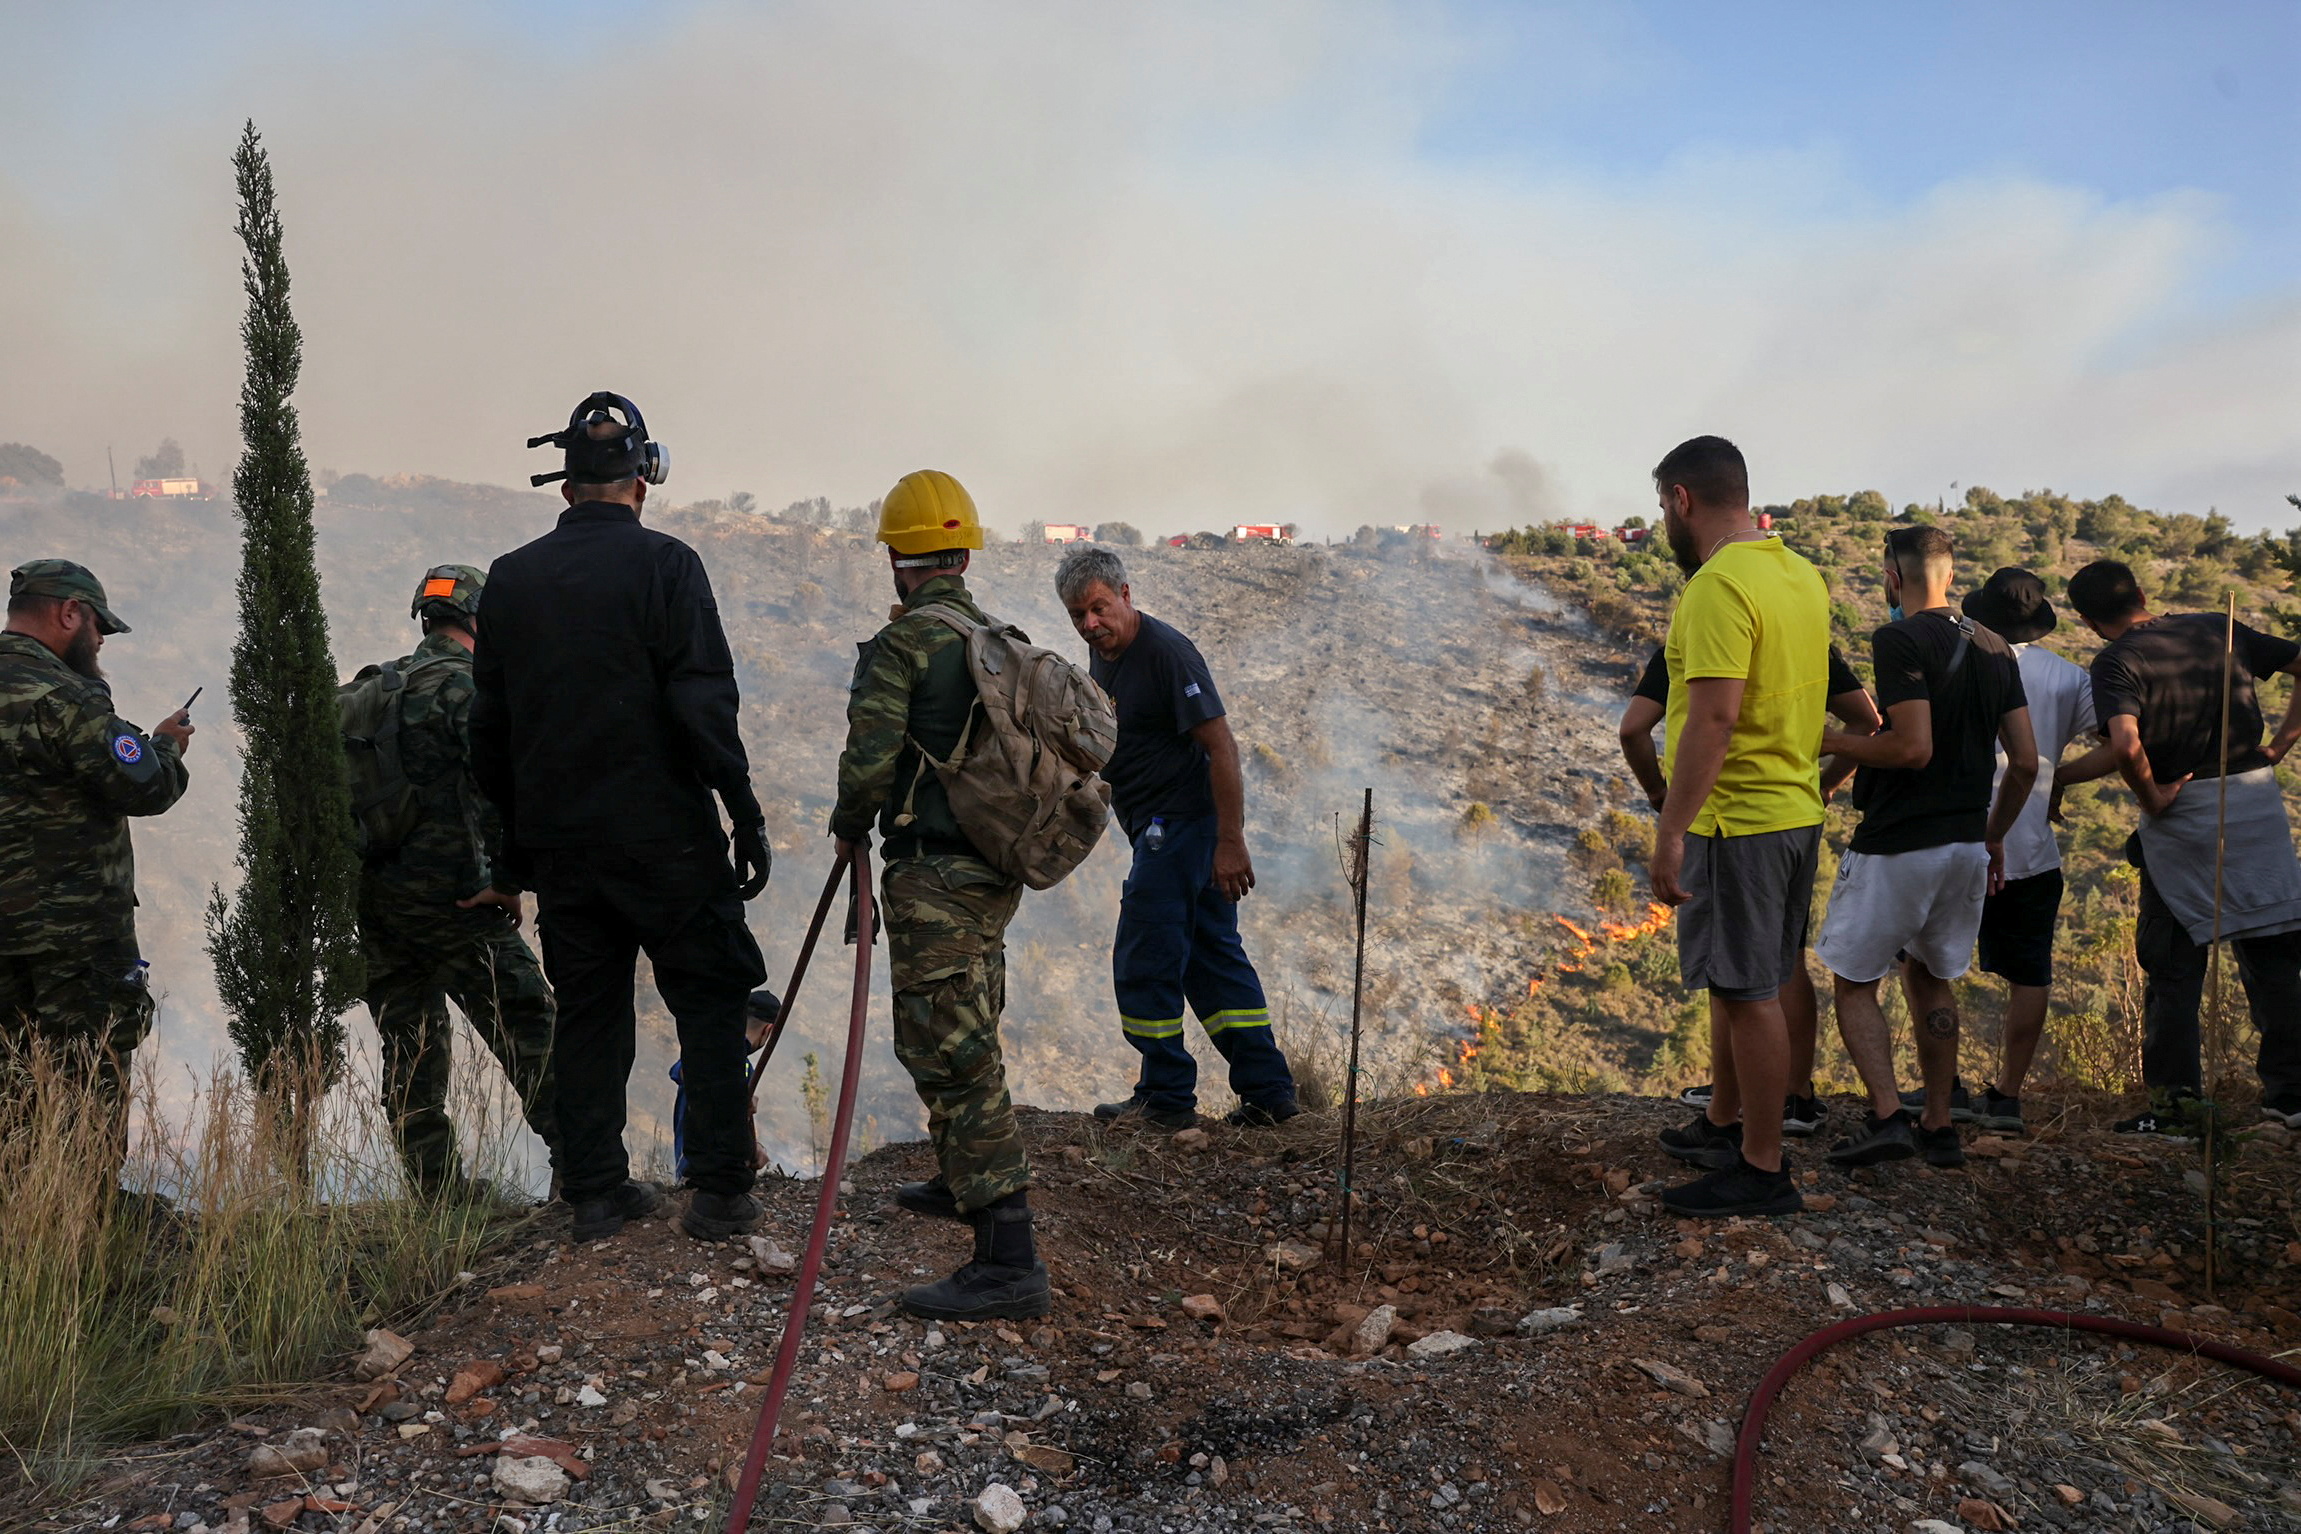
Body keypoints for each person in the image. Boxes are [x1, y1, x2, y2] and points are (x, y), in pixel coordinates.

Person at [472, 395, 773, 1244]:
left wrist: (513, 852)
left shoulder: (511, 580)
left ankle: (597, 1193)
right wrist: (741, 814)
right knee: (711, 1001)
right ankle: (719, 1193)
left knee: (590, 1012)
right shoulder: (670, 567)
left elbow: (487, 733)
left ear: (564, 486)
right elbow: (704, 704)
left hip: (564, 848)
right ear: (644, 479)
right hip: (668, 838)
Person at [830, 469, 1046, 1321]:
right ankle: (965, 1183)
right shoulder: (998, 636)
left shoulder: (906, 646)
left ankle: (1008, 1258)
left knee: (949, 1048)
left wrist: (849, 826)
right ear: (961, 552)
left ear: (898, 559)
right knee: (964, 1021)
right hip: (993, 869)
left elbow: (870, 762)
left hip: (934, 873)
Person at [1641, 436, 1830, 1218]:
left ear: (1682, 499)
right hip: (1794, 807)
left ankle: (1761, 1167)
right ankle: (1725, 1123)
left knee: (1749, 992)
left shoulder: (1716, 586)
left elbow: (1712, 719)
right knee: (1744, 978)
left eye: (1661, 507)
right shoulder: (1797, 572)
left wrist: (1670, 829)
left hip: (1737, 818)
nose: (1662, 521)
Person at [1813, 526, 2037, 1170]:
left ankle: (1886, 1116)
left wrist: (1828, 741)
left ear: (1892, 577)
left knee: (1855, 982)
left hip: (1898, 845)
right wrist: (1993, 836)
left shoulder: (1898, 638)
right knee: (1931, 975)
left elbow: (1911, 747)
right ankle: (1939, 1124)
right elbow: (2023, 761)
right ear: (1950, 571)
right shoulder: (1996, 646)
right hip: (1966, 844)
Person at [1058, 544, 1300, 1131]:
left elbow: (1222, 746)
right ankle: (1270, 1094)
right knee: (1211, 962)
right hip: (1159, 830)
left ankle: (1165, 1096)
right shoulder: (1105, 658)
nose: (1090, 624)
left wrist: (1229, 842)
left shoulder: (1167, 653)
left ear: (1124, 597)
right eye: (1077, 617)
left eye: (1098, 608)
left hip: (1184, 827)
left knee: (1146, 951)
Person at [2056, 560, 2301, 1133]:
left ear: (2090, 622)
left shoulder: (2117, 660)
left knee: (2172, 965)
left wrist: (2154, 796)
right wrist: (2282, 743)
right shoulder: (2219, 627)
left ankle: (2176, 1106)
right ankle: (2291, 1097)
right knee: (2273, 959)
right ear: (2142, 594)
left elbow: (2124, 743)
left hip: (2182, 818)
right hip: (2256, 805)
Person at [352, 564, 559, 1201]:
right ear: (480, 619)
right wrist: (510, 879)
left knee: (409, 1046)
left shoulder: (372, 689)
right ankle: (583, 1167)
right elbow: (504, 790)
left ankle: (435, 1190)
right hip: (456, 899)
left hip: (378, 904)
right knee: (528, 1020)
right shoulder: (467, 688)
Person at [1626, 644, 1881, 1139]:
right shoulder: (1799, 636)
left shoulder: (1699, 640)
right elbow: (1865, 720)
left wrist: (1662, 796)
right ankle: (1794, 1095)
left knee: (1735, 978)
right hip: (1796, 820)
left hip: (1733, 820)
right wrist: (1826, 785)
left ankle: (1734, 1113)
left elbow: (1633, 727)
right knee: (1784, 963)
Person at [0, 560, 193, 1143]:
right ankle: (86, 1218)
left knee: (12, 1087)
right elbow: (148, 786)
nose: (101, 639)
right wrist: (166, 744)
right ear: (68, 613)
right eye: (98, 626)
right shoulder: (65, 700)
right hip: (73, 939)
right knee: (88, 1082)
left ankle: (26, 1219)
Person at [1938, 568, 2098, 1134]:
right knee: (2029, 974)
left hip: (1952, 838)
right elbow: (2123, 747)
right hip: (2031, 849)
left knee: (1933, 966)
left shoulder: (1957, 662)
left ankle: (1943, 1089)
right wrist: (2058, 781)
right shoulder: (2069, 678)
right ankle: (2006, 1096)